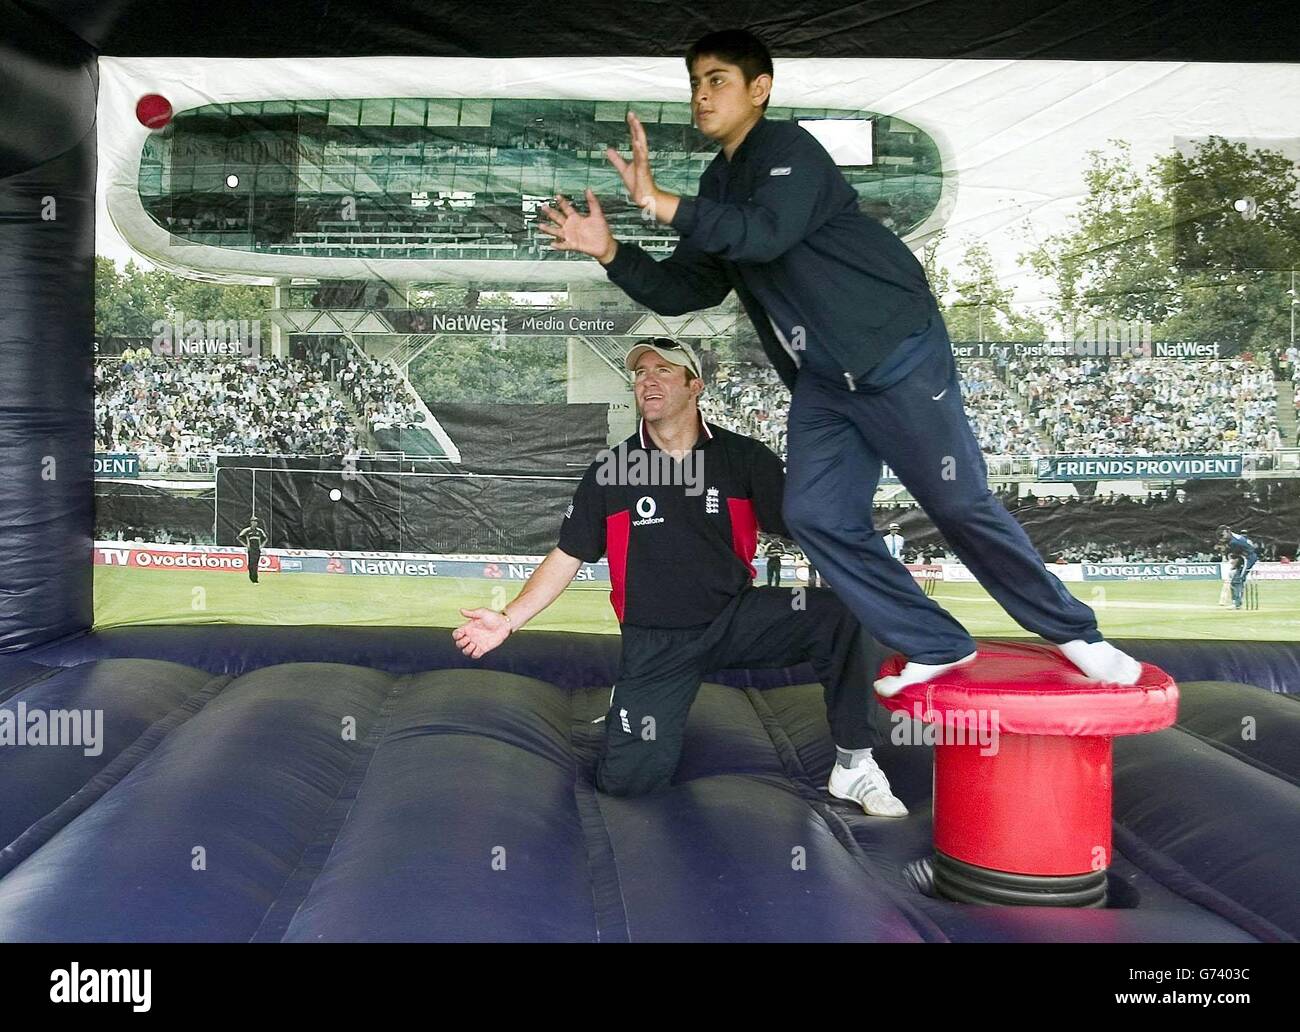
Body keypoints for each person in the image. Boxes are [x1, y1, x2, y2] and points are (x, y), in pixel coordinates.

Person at [536, 27, 1143, 695]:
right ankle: (936, 640)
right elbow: (690, 290)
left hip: (893, 353)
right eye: (695, 83)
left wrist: (659, 201)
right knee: (818, 515)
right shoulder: (718, 182)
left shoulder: (790, 150)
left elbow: (762, 236)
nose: (701, 95)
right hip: (826, 383)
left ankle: (1076, 634)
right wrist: (611, 252)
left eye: (717, 81)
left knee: (959, 505)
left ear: (759, 89)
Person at [452, 338, 907, 816]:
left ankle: (853, 765)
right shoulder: (612, 470)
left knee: (844, 616)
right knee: (629, 784)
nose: (647, 379)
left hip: (735, 619)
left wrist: (874, 582)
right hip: (656, 643)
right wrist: (507, 619)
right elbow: (569, 555)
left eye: (663, 370)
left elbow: (808, 530)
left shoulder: (744, 458)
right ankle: (626, 705)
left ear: (696, 386)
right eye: (640, 373)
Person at [1218, 525, 1259, 610]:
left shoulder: (1234, 542)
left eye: (1223, 535)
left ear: (1227, 532)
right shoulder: (1233, 536)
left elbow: (1237, 556)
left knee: (1237, 580)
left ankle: (1236, 603)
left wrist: (1234, 565)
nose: (1223, 538)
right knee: (1237, 580)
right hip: (1245, 556)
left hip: (1248, 558)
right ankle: (1237, 602)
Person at [237, 515, 267, 584]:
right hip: (251, 550)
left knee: (255, 564)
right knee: (250, 565)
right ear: (251, 522)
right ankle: (251, 577)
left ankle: (255, 580)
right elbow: (239, 537)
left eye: (256, 522)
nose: (255, 523)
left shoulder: (259, 531)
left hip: (257, 550)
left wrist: (261, 546)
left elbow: (265, 538)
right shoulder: (247, 530)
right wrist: (246, 545)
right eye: (253, 521)